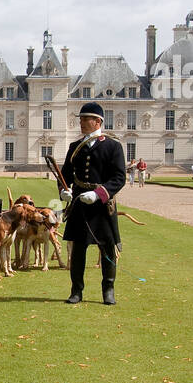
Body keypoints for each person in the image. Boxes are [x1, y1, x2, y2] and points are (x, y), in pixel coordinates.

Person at [61, 101, 126, 305]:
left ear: (97, 121)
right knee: (78, 250)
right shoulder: (74, 148)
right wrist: (64, 190)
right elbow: (64, 175)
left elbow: (119, 177)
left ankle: (108, 290)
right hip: (80, 204)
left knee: (107, 249)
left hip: (102, 206)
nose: (81, 122)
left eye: (85, 119)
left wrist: (99, 194)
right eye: (80, 119)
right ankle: (76, 291)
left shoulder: (113, 146)